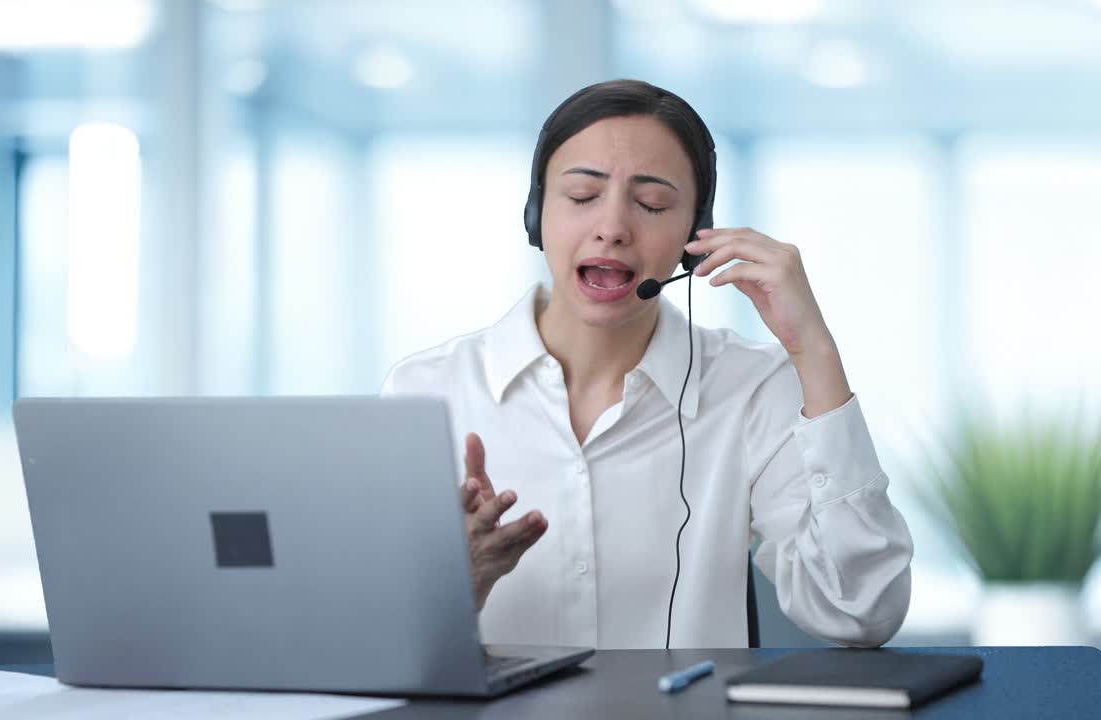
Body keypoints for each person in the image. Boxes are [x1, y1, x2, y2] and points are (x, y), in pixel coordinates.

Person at [380, 79, 913, 649]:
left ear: (693, 234)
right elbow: (369, 642)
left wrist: (814, 349)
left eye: (652, 203)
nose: (612, 227)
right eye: (582, 196)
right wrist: (457, 585)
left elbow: (861, 613)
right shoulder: (427, 389)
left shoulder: (749, 389)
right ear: (537, 215)